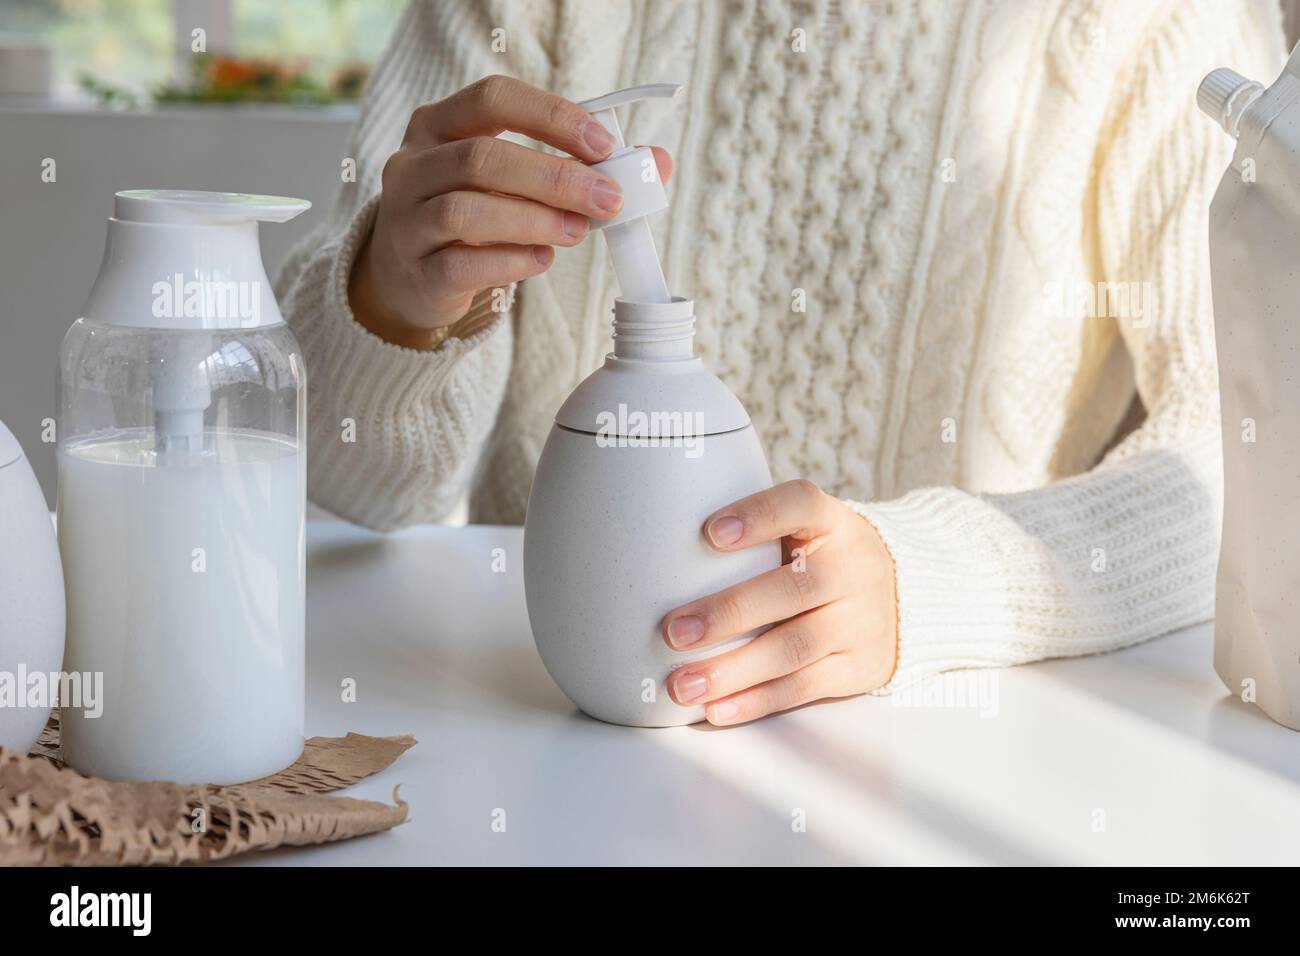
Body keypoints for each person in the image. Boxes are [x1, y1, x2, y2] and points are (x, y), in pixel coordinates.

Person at [275, 0, 1283, 724]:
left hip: (933, 754)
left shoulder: (1156, 21)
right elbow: (356, 480)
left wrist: (926, 582)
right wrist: (398, 301)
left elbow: (1252, 452)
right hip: (532, 733)